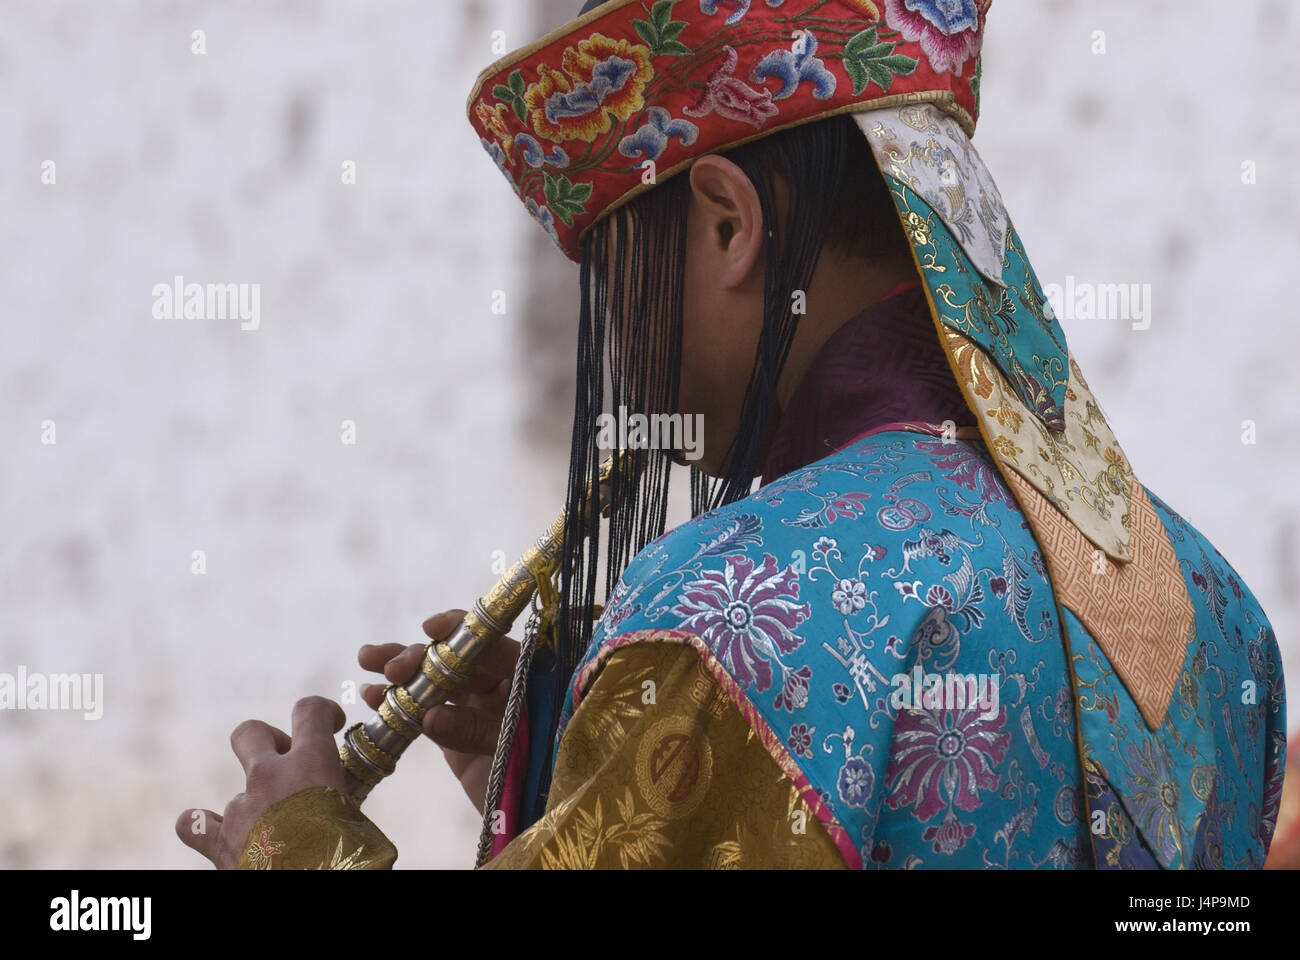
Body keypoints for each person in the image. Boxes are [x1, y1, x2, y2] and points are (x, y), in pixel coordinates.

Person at [177, 0, 1286, 869]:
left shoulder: (732, 616)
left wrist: (297, 844)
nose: (621, 347)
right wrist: (587, 784)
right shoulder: (1207, 605)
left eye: (616, 286)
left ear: (726, 225)